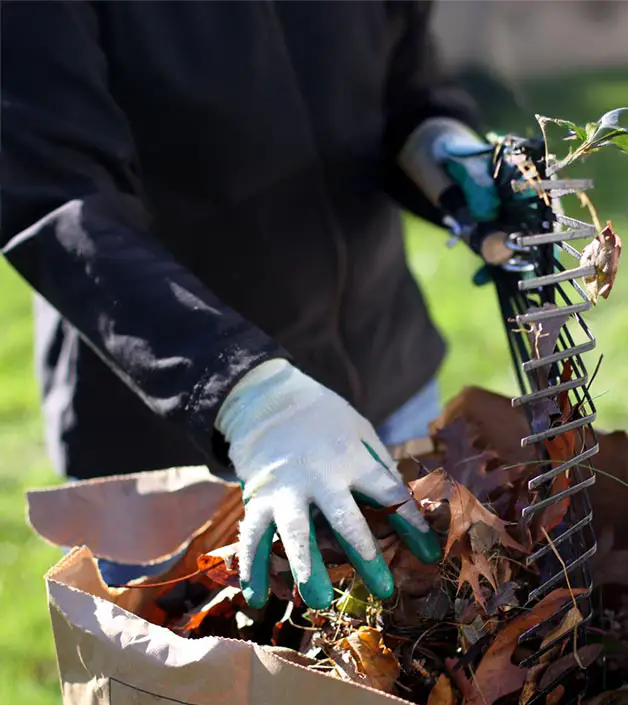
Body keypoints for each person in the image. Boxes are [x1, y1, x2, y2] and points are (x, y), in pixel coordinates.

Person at [0, 1, 508, 610]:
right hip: (175, 442)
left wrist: (437, 143)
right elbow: (59, 200)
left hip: (385, 381)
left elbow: (402, 84)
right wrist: (251, 398)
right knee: (199, 696)